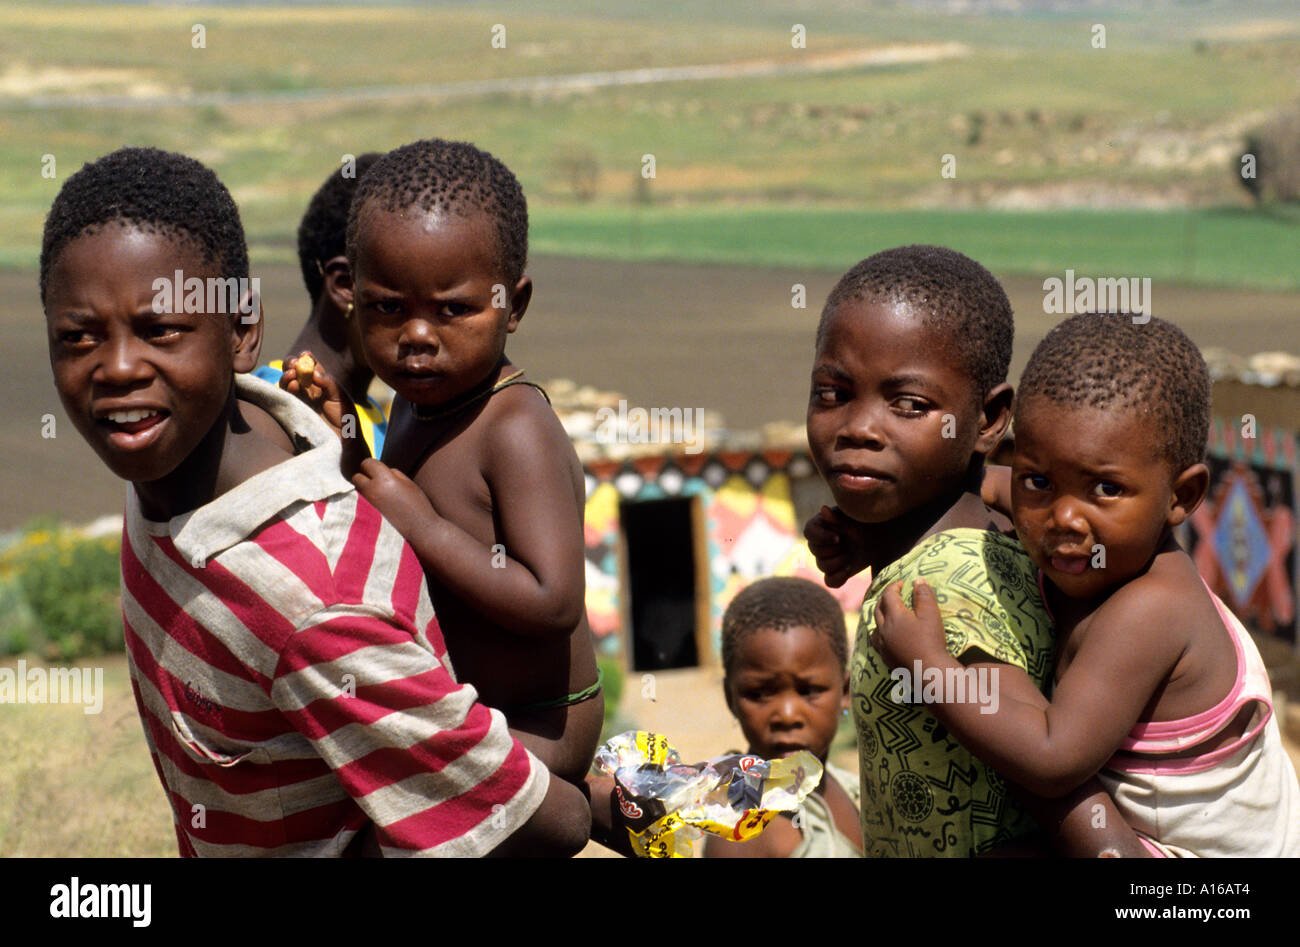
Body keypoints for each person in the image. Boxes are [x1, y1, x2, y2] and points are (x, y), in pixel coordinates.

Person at [40, 146, 591, 856]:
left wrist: (590, 800)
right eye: (78, 337)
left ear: (242, 329)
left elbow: (545, 821)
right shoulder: (169, 468)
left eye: (160, 329)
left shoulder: (312, 602)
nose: (116, 368)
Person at [872, 313, 1300, 857]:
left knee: (1044, 791)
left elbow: (1053, 760)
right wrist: (868, 526)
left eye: (1105, 487)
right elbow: (982, 488)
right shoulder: (1094, 548)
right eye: (1040, 480)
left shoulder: (1150, 608)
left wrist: (930, 670)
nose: (1064, 519)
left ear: (1181, 497)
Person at [804, 245, 1147, 857]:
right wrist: (873, 538)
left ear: (988, 419)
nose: (859, 426)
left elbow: (1055, 784)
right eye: (833, 392)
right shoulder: (978, 536)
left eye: (909, 404)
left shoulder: (945, 589)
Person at [287, 138, 602, 786]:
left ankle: (586, 809)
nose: (417, 337)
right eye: (387, 308)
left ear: (513, 305)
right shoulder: (412, 401)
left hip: (542, 724)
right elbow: (395, 491)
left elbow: (553, 599)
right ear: (352, 297)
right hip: (471, 709)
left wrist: (423, 528)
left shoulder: (514, 428)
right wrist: (340, 437)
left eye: (452, 310)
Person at [704, 577, 863, 858]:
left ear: (845, 692)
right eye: (761, 693)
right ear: (731, 699)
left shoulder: (852, 790)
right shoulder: (741, 828)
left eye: (809, 691)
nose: (787, 716)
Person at [254, 153, 389, 465]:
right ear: (346, 286)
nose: (425, 332)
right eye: (397, 302)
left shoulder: (377, 417)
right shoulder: (274, 409)